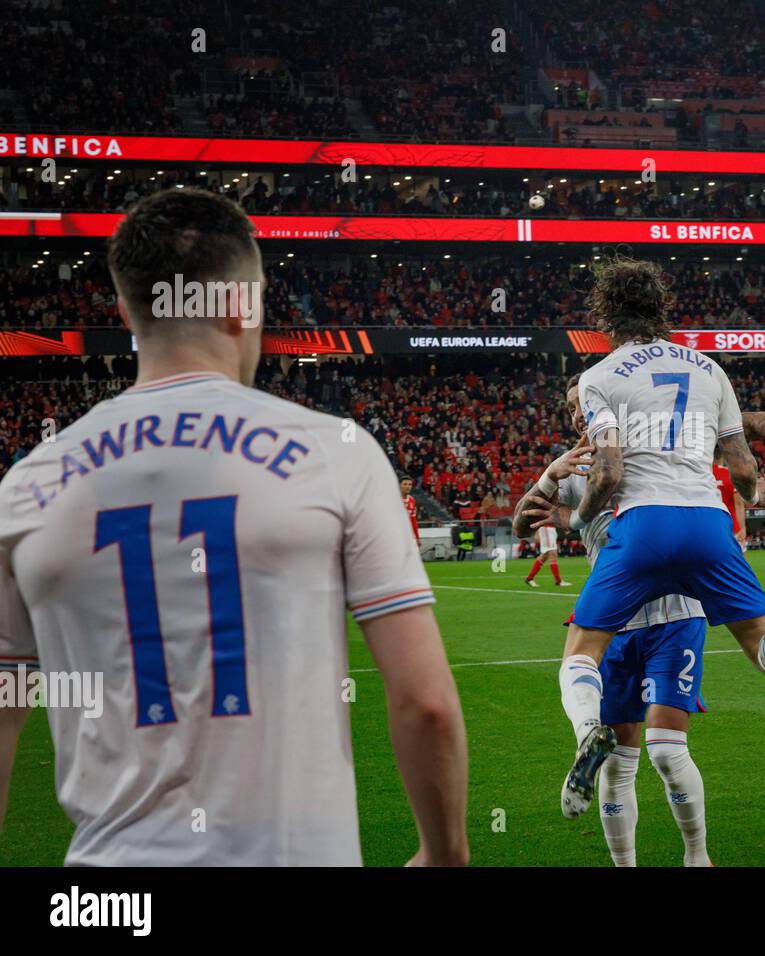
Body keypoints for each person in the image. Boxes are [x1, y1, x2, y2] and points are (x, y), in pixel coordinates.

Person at [0, 190, 467, 866]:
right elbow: (424, 702)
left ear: (127, 309)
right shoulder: (334, 450)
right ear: (243, 306)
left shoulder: (27, 487)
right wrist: (444, 854)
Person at [552, 258, 765, 819]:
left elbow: (606, 473)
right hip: (709, 522)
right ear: (662, 307)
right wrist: (755, 496)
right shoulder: (708, 370)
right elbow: (744, 467)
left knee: (581, 653)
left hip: (644, 526)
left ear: (606, 314)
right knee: (757, 637)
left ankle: (589, 733)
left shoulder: (600, 378)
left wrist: (581, 519)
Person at [524, 516, 571, 588]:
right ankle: (558, 581)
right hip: (546, 528)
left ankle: (529, 579)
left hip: (550, 528)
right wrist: (536, 531)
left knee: (544, 556)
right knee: (552, 554)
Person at [399, 474, 420, 547]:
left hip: (407, 536)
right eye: (405, 484)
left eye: (409, 484)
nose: (408, 486)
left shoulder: (412, 500)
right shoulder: (393, 499)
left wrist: (417, 537)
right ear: (399, 485)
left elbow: (413, 520)